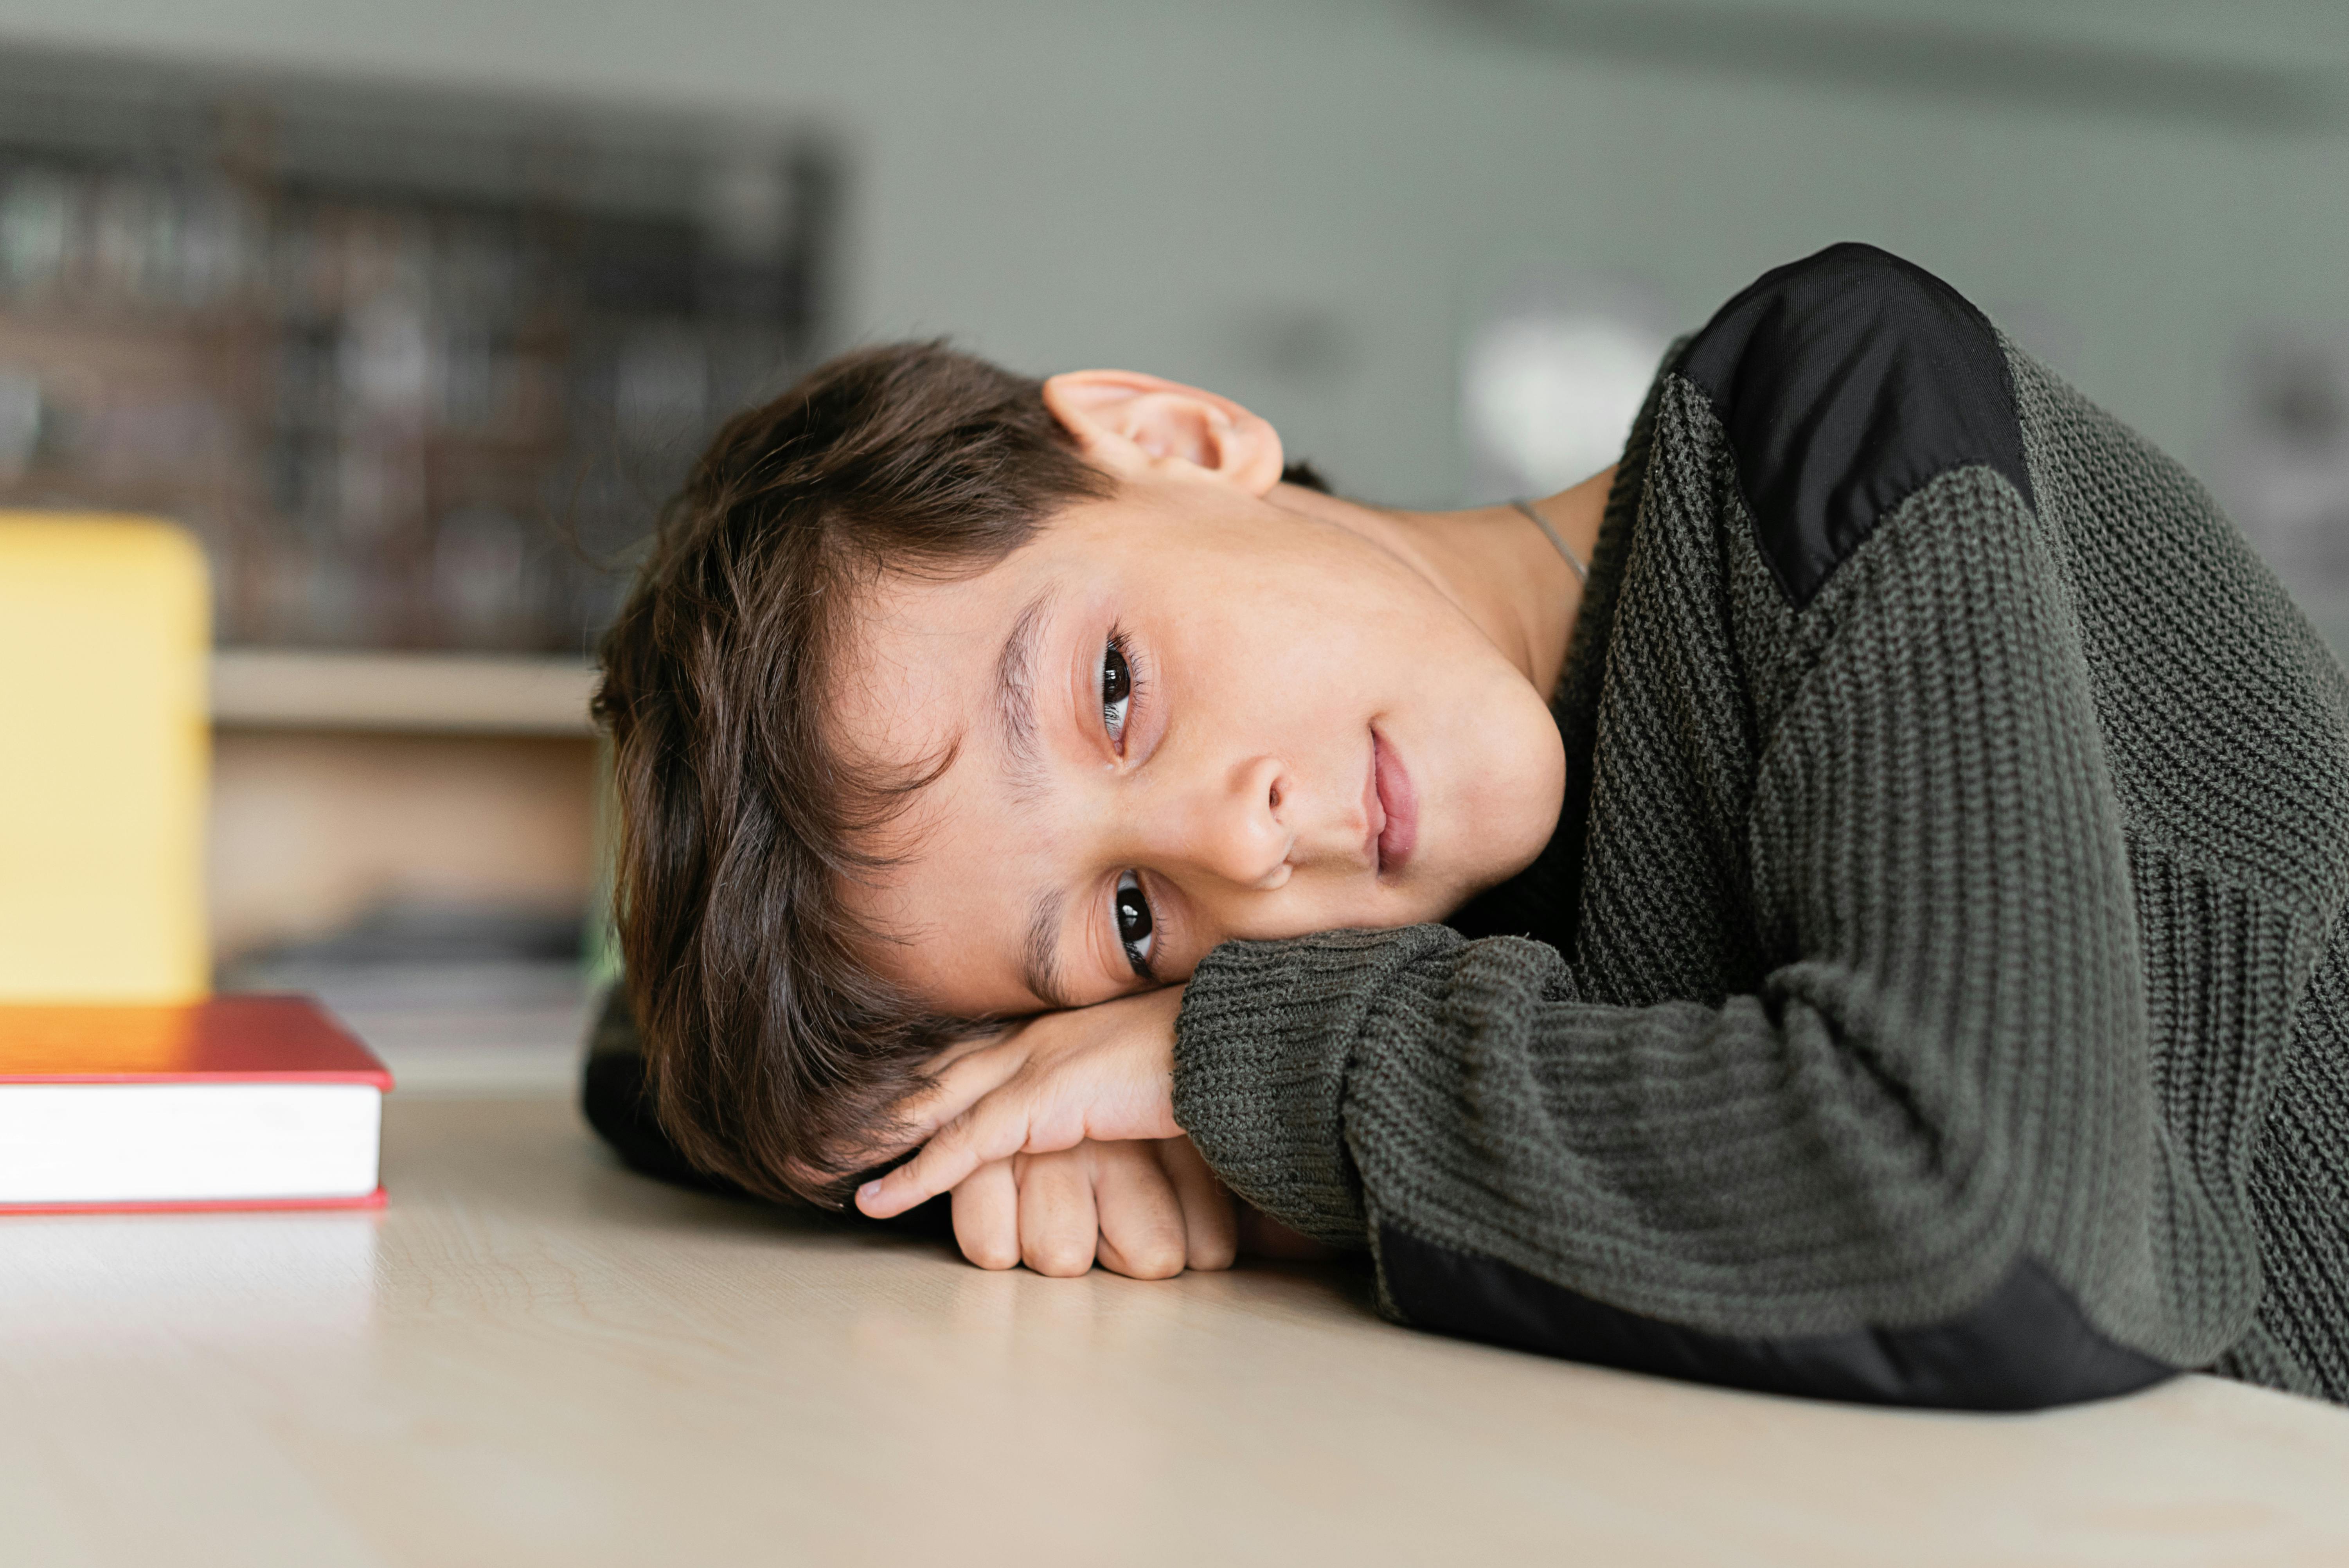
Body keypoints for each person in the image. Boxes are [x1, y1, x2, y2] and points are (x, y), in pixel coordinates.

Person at [585, 242, 2349, 1410]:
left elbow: (1980, 1226)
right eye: (1128, 922)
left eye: (1114, 690)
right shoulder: (1435, 919)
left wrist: (1239, 1062)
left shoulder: (1834, 413)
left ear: (1177, 439)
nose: (1237, 845)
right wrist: (1047, 1129)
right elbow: (667, 1075)